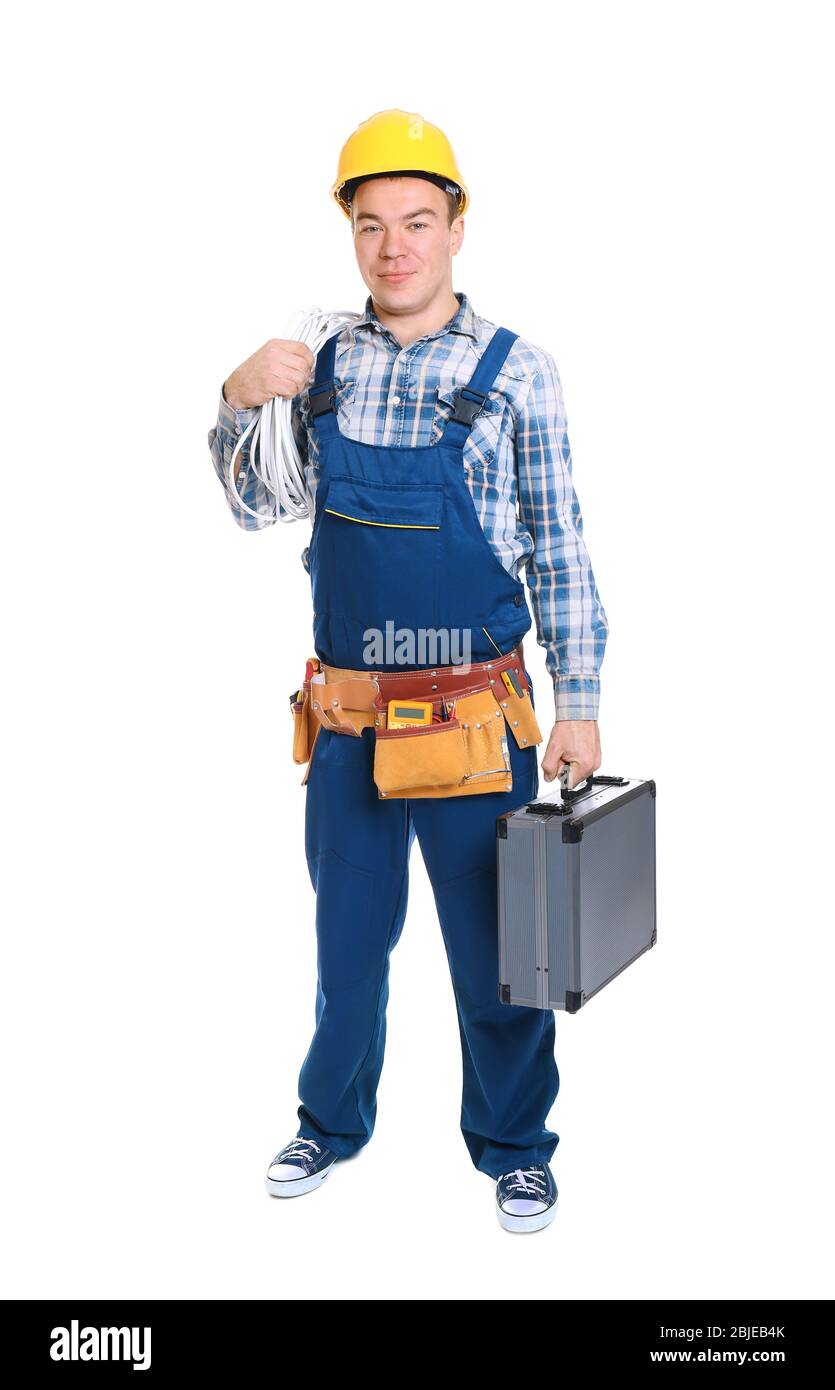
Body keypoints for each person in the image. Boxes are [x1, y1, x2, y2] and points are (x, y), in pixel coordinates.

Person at [207, 109, 609, 1233]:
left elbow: (561, 546)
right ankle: (327, 1122)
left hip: (480, 728)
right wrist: (237, 398)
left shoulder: (517, 372)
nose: (396, 248)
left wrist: (576, 704)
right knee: (346, 953)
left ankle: (516, 1148)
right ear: (350, 231)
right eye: (373, 224)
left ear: (457, 227)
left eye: (418, 223)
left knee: (500, 961)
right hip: (345, 729)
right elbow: (253, 506)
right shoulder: (316, 363)